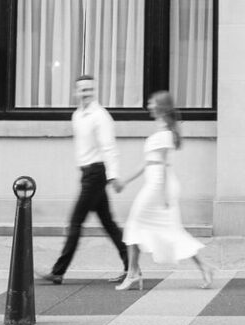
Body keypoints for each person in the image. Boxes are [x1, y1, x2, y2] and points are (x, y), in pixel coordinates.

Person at [114, 91, 213, 290]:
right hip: (155, 184)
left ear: (160, 107)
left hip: (159, 186)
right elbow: (146, 162)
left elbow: (165, 166)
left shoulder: (166, 134)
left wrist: (163, 195)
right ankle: (204, 267)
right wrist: (125, 181)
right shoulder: (162, 130)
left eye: (151, 102)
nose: (148, 105)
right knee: (168, 230)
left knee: (135, 224)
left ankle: (133, 273)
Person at [40, 74, 129, 285]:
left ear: (94, 91)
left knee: (75, 222)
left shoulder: (101, 116)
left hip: (96, 174)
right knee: (109, 223)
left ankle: (58, 271)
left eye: (89, 89)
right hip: (87, 174)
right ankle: (131, 266)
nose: (85, 93)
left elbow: (109, 147)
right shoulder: (77, 115)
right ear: (76, 92)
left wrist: (114, 175)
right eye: (82, 90)